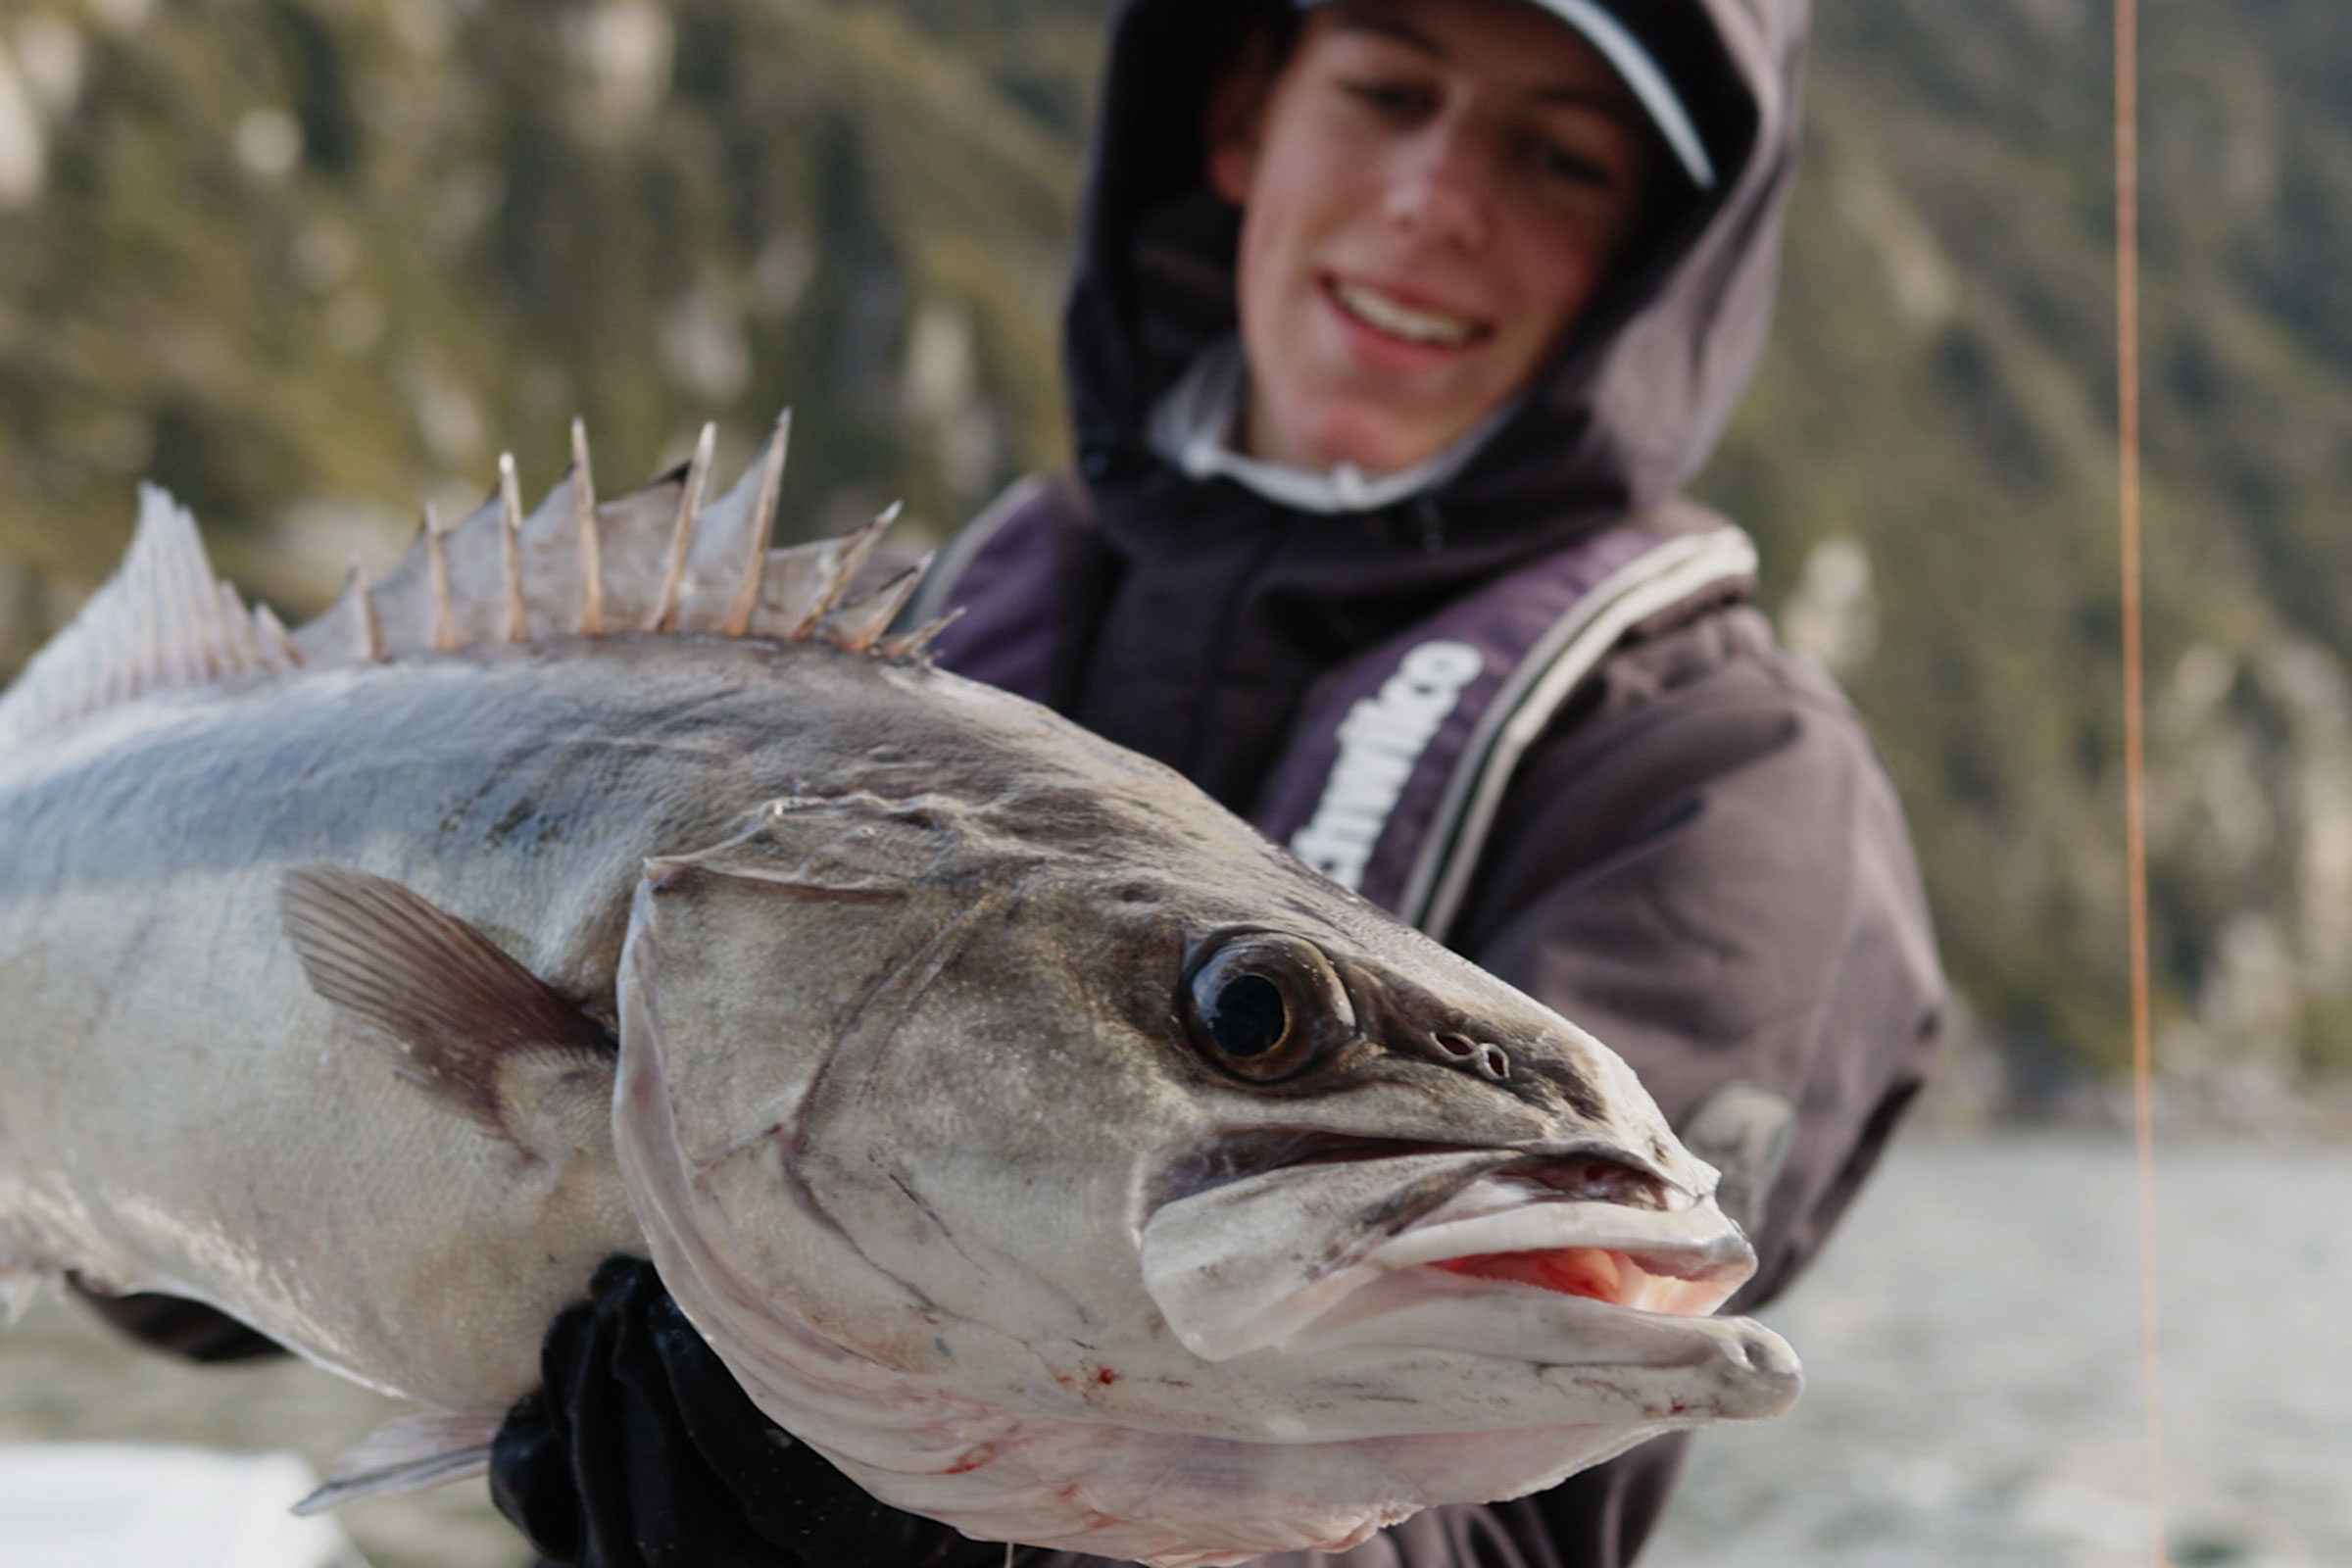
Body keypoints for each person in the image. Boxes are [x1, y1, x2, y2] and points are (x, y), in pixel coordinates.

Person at [101, 1, 1944, 1563]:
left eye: (1562, 156)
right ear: (1242, 117)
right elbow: (234, 1228)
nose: (1439, 200)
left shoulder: (1731, 785)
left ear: (1654, 259)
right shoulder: (938, 627)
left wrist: (948, 1541)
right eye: (1389, 89)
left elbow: (1510, 1533)